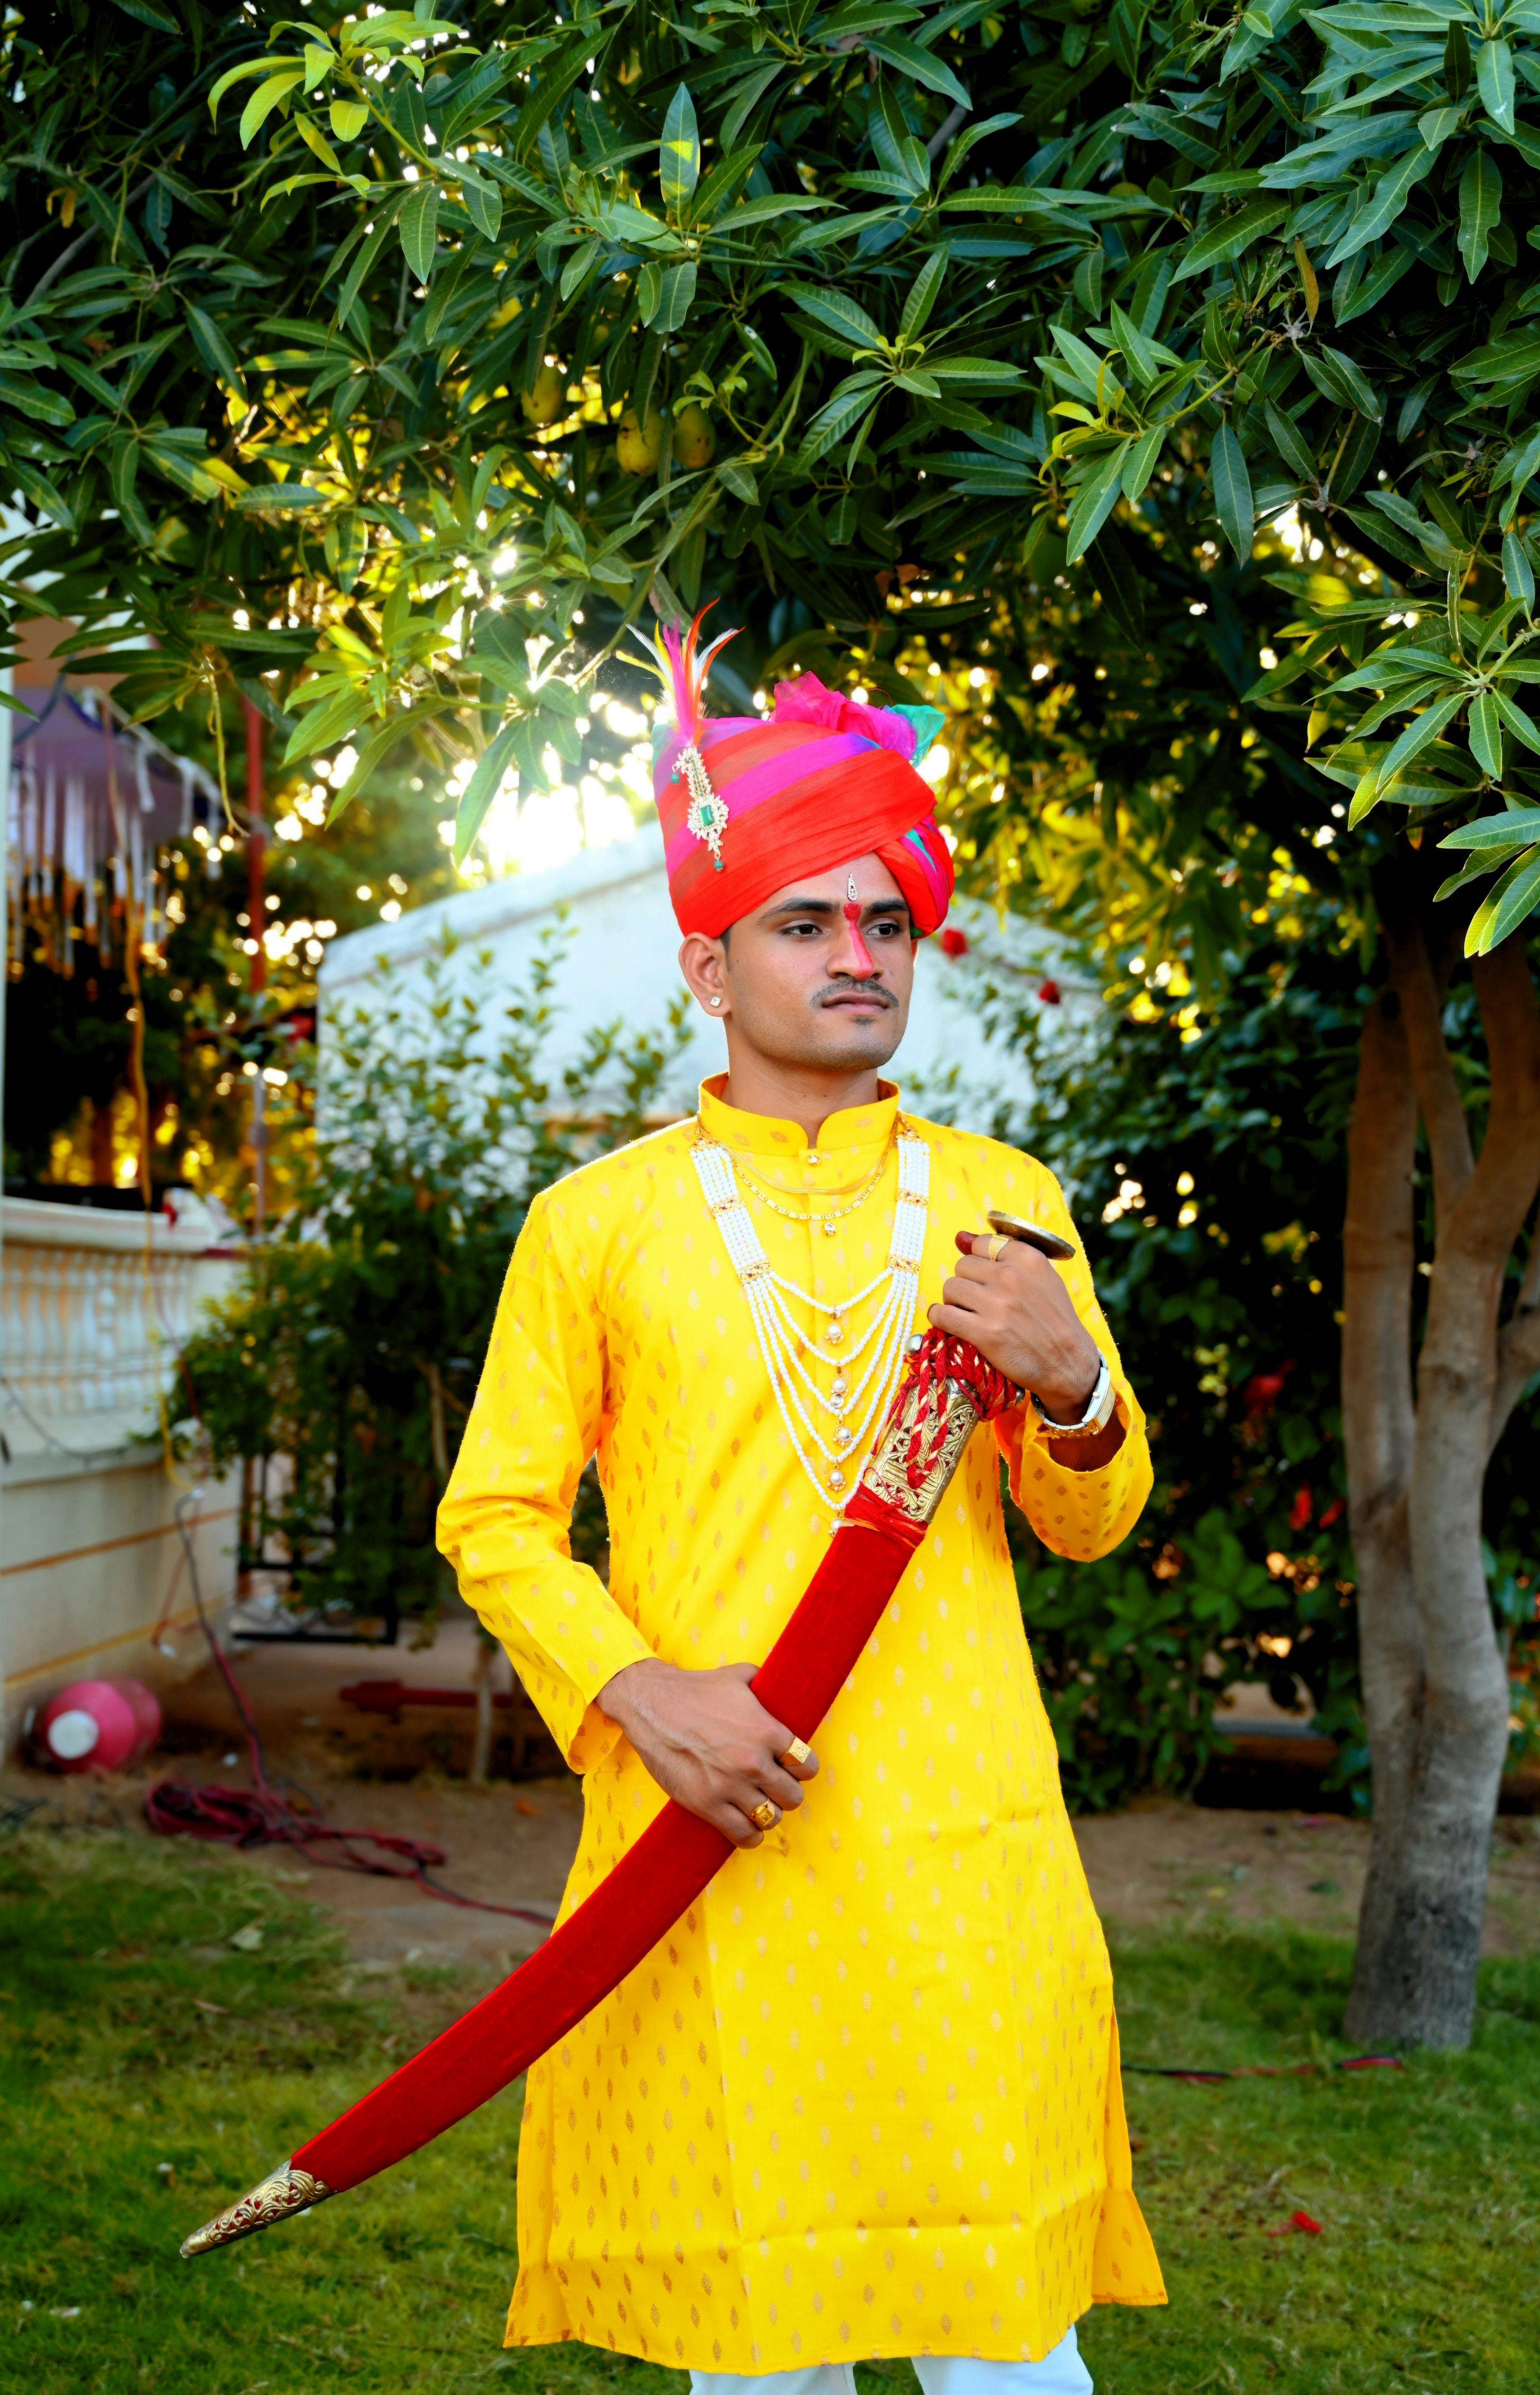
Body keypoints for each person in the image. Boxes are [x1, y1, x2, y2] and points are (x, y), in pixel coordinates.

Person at [437, 618, 1166, 2395]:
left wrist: (1073, 1381)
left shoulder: (1004, 1198)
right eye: (806, 921)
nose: (861, 956)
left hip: (961, 1856)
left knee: (1010, 2346)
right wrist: (642, 1695)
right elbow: (500, 1517)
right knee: (762, 2341)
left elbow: (1089, 1520)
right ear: (708, 968)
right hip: (721, 1836)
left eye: (887, 922)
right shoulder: (595, 1224)